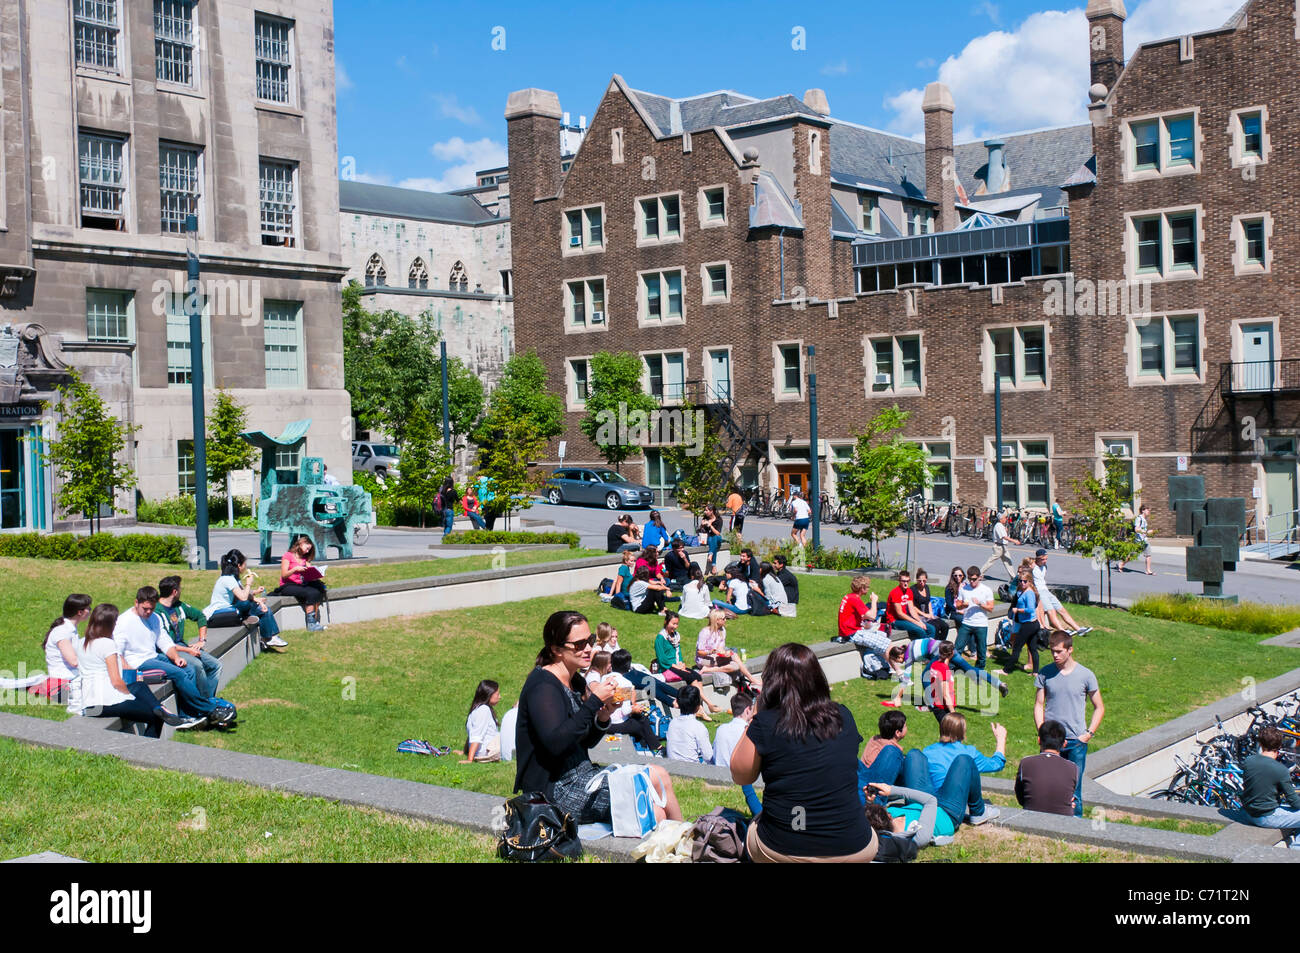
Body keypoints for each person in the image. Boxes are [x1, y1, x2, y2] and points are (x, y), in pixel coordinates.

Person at [514, 611, 682, 825]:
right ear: (556, 649)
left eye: (590, 640)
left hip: (584, 776)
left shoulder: (574, 681)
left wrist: (603, 715)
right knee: (655, 794)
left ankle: (686, 842)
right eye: (579, 644)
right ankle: (687, 842)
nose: (588, 649)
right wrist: (594, 702)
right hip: (555, 791)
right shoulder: (543, 686)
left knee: (658, 791)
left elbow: (583, 741)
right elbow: (556, 743)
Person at [728, 642, 877, 862]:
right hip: (854, 847)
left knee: (752, 832)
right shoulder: (842, 716)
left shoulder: (766, 724)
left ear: (772, 682)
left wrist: (755, 716)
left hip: (786, 849)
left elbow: (741, 775)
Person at [114, 586, 231, 727]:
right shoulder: (123, 622)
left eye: (151, 608)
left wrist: (176, 657)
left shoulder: (154, 618)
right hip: (139, 662)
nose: (148, 612)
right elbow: (117, 652)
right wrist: (129, 672)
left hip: (154, 656)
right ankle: (210, 709)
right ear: (136, 603)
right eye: (145, 609)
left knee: (189, 669)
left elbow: (164, 642)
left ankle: (187, 715)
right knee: (179, 673)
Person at [75, 604, 195, 737]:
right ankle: (146, 749)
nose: (116, 626)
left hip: (89, 703)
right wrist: (130, 696)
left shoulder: (81, 643)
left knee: (137, 683)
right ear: (109, 624)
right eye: (115, 622)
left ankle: (159, 707)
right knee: (156, 717)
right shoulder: (107, 644)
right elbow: (116, 681)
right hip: (105, 703)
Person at [1034, 630, 1104, 818]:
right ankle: (1048, 819)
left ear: (1070, 650)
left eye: (1059, 651)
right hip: (1051, 742)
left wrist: (1088, 733)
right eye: (1052, 651)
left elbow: (1099, 707)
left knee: (1074, 789)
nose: (1055, 655)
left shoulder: (1086, 675)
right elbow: (1039, 704)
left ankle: (1075, 826)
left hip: (1075, 742)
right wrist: (1042, 732)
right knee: (1048, 784)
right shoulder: (1045, 673)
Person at [906, 713, 1006, 827]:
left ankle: (912, 804)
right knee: (965, 760)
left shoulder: (928, 751)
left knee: (914, 754)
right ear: (963, 731)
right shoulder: (968, 752)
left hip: (927, 802)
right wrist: (1001, 739)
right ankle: (979, 812)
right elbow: (996, 764)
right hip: (948, 808)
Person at [205, 549, 287, 650]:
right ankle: (253, 622)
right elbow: (243, 597)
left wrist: (257, 599)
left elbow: (243, 594)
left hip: (232, 607)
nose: (246, 567)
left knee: (261, 608)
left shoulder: (233, 578)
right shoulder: (228, 579)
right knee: (246, 604)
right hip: (221, 611)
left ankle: (270, 637)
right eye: (245, 564)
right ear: (239, 565)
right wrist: (248, 583)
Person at [156, 576, 222, 701]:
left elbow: (200, 616)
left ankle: (209, 699)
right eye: (180, 588)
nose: (181, 591)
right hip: (169, 651)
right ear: (175, 592)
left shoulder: (179, 606)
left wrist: (201, 640)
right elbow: (163, 643)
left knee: (216, 665)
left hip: (183, 647)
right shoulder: (157, 612)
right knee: (197, 665)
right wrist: (188, 651)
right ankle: (206, 705)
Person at [1238, 726, 1300, 847]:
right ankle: (1296, 851)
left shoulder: (1248, 761)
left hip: (1248, 812)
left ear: (1260, 743)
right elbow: (1294, 802)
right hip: (1265, 817)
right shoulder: (1280, 770)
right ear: (1279, 746)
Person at [589, 652, 663, 753]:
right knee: (642, 720)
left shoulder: (604, 679)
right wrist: (635, 709)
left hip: (604, 722)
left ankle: (649, 746)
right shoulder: (626, 683)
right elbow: (625, 711)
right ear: (628, 667)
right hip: (617, 724)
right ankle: (656, 747)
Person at [32, 594, 91, 711]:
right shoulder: (63, 632)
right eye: (88, 608)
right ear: (80, 612)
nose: (90, 611)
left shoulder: (70, 630)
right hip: (61, 686)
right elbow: (74, 661)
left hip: (70, 681)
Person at [713, 692, 764, 816]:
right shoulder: (749, 731)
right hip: (740, 778)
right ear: (748, 710)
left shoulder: (721, 729)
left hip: (718, 773)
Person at [1015, 719, 1078, 816]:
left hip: (1030, 818)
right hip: (1064, 821)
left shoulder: (1026, 763)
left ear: (1039, 740)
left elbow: (1020, 796)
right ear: (1064, 744)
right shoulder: (1073, 768)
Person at [695, 609, 761, 689]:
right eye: (723, 619)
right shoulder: (705, 632)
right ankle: (751, 679)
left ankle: (708, 669)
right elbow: (699, 652)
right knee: (735, 657)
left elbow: (720, 649)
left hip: (715, 657)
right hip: (704, 659)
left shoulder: (722, 631)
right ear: (716, 620)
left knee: (736, 666)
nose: (725, 620)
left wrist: (725, 653)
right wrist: (710, 652)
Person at [1032, 549, 1091, 636]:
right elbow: (1024, 567)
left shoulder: (1045, 567)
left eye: (1046, 559)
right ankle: (1063, 631)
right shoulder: (1032, 567)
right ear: (1037, 558)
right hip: (1040, 592)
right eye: (1043, 559)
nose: (1045, 561)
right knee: (1051, 611)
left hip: (1046, 591)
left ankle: (1078, 629)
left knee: (1061, 609)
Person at [276, 534, 328, 631]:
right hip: (287, 585)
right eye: (307, 548)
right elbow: (284, 575)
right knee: (311, 593)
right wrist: (295, 569)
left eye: (309, 550)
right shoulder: (288, 556)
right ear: (301, 543)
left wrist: (315, 575)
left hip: (301, 584)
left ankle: (314, 620)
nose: (307, 551)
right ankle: (311, 624)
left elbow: (309, 571)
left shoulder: (305, 559)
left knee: (318, 590)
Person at [858, 708, 907, 803]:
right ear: (897, 733)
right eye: (905, 726)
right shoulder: (892, 752)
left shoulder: (874, 739)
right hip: (874, 790)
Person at [1000, 571, 1044, 676]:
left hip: (1028, 625)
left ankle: (1006, 670)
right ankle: (1035, 672)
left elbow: (1030, 609)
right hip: (1033, 624)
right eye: (1020, 581)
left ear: (1030, 581)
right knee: (1033, 648)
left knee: (1017, 648)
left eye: (1025, 581)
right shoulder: (1025, 591)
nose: (1022, 583)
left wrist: (1017, 610)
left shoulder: (1029, 593)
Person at [611, 647, 679, 712]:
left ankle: (680, 695)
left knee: (652, 681)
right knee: (650, 684)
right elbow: (622, 704)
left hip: (626, 672)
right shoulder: (619, 680)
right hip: (623, 675)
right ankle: (675, 699)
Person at [953, 566, 994, 670]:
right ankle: (952, 668)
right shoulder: (964, 589)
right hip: (967, 623)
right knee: (958, 647)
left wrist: (980, 604)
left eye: (974, 579)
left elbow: (991, 608)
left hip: (981, 624)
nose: (972, 582)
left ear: (979, 577)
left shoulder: (986, 590)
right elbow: (957, 605)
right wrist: (963, 606)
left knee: (981, 650)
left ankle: (979, 671)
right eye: (970, 579)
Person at [665, 684, 713, 763]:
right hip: (692, 769)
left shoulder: (672, 723)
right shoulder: (698, 726)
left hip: (673, 766)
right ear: (698, 706)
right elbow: (708, 757)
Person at [885, 570, 937, 640]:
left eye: (907, 581)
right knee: (920, 631)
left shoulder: (909, 591)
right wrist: (916, 622)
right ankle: (923, 648)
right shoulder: (895, 592)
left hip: (905, 619)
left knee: (931, 629)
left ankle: (929, 647)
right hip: (894, 621)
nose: (906, 583)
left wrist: (920, 621)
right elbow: (899, 613)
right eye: (903, 581)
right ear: (899, 581)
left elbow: (912, 609)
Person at [461, 679, 501, 762]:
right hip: (488, 750)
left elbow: (472, 733)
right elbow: (476, 735)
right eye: (497, 694)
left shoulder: (477, 709)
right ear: (489, 694)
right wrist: (469, 759)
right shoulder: (484, 710)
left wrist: (465, 751)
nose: (499, 697)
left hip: (485, 749)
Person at [835, 575, 880, 644]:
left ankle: (868, 654)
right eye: (867, 587)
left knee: (878, 636)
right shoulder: (855, 599)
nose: (868, 589)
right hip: (851, 634)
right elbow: (872, 616)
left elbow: (863, 616)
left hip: (845, 632)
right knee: (883, 639)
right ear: (862, 588)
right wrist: (874, 601)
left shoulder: (849, 596)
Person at [979, 511, 1020, 581]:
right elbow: (1004, 537)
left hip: (1003, 547)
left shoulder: (1001, 526)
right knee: (991, 561)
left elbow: (1004, 535)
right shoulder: (998, 526)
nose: (1006, 519)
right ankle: (979, 574)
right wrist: (1014, 541)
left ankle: (1013, 578)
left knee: (1008, 561)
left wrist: (1006, 530)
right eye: (1005, 518)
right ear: (1000, 518)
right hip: (999, 547)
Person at [910, 568, 947, 638]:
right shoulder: (913, 589)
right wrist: (925, 614)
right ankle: (934, 645)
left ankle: (942, 645)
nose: (922, 583)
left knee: (945, 626)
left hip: (928, 614)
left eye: (924, 581)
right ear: (916, 580)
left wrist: (931, 613)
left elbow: (928, 601)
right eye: (920, 581)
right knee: (936, 627)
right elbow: (913, 606)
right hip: (919, 615)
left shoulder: (926, 587)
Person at [1119, 504, 1153, 574]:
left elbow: (1142, 530)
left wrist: (1147, 533)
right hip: (1138, 541)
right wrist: (1146, 532)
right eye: (1148, 510)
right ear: (1143, 510)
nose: (1149, 511)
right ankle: (1122, 563)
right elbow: (1136, 529)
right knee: (1132, 555)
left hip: (1144, 540)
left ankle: (1148, 570)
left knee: (1148, 555)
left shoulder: (1144, 519)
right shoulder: (1139, 518)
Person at [698, 504, 722, 573]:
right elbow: (702, 531)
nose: (705, 512)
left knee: (714, 537)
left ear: (711, 511)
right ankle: (713, 565)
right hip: (707, 539)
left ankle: (710, 554)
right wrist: (702, 525)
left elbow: (718, 533)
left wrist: (710, 526)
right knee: (713, 542)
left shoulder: (719, 520)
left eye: (706, 510)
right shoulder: (705, 518)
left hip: (717, 538)